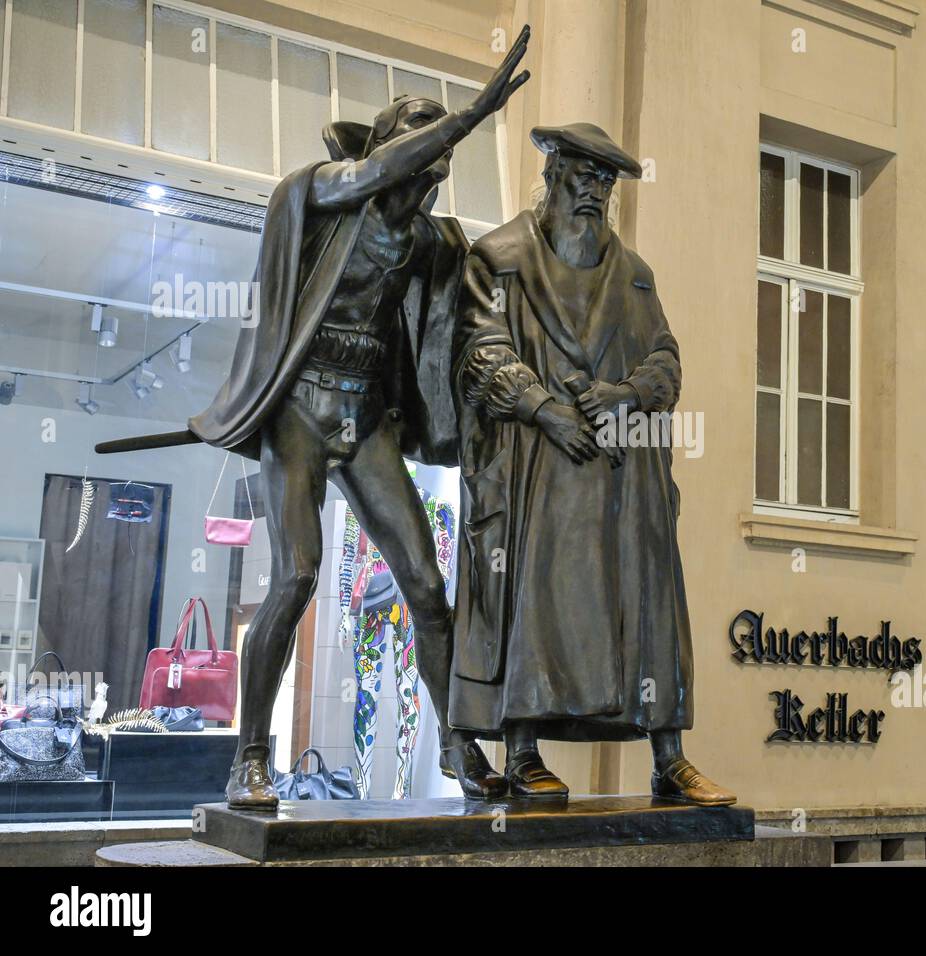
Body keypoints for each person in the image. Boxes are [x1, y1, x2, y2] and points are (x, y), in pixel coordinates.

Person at [99, 28, 533, 808]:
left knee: (427, 590)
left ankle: (463, 749)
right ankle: (250, 757)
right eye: (423, 146)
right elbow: (375, 170)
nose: (432, 169)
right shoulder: (324, 193)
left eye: (442, 158)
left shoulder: (436, 242)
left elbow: (483, 302)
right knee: (296, 575)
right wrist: (473, 112)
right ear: (399, 144)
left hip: (365, 418)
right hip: (299, 409)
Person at [448, 121, 735, 806]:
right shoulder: (500, 257)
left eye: (606, 182)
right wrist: (545, 408)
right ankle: (522, 752)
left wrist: (626, 394)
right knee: (533, 593)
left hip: (625, 475)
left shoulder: (634, 277)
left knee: (650, 604)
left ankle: (669, 756)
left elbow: (667, 358)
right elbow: (478, 351)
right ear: (552, 175)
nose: (596, 193)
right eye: (585, 177)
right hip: (538, 468)